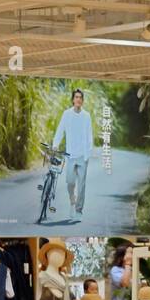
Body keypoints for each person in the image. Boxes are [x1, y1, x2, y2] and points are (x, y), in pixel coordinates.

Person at [51, 88, 94, 217]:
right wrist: (55, 145)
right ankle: (72, 200)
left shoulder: (86, 116)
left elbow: (89, 135)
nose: (78, 99)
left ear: (83, 100)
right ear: (72, 100)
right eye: (76, 97)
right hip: (70, 156)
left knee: (81, 186)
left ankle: (79, 210)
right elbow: (60, 130)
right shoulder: (66, 114)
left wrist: (88, 154)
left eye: (80, 97)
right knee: (70, 183)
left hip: (82, 156)